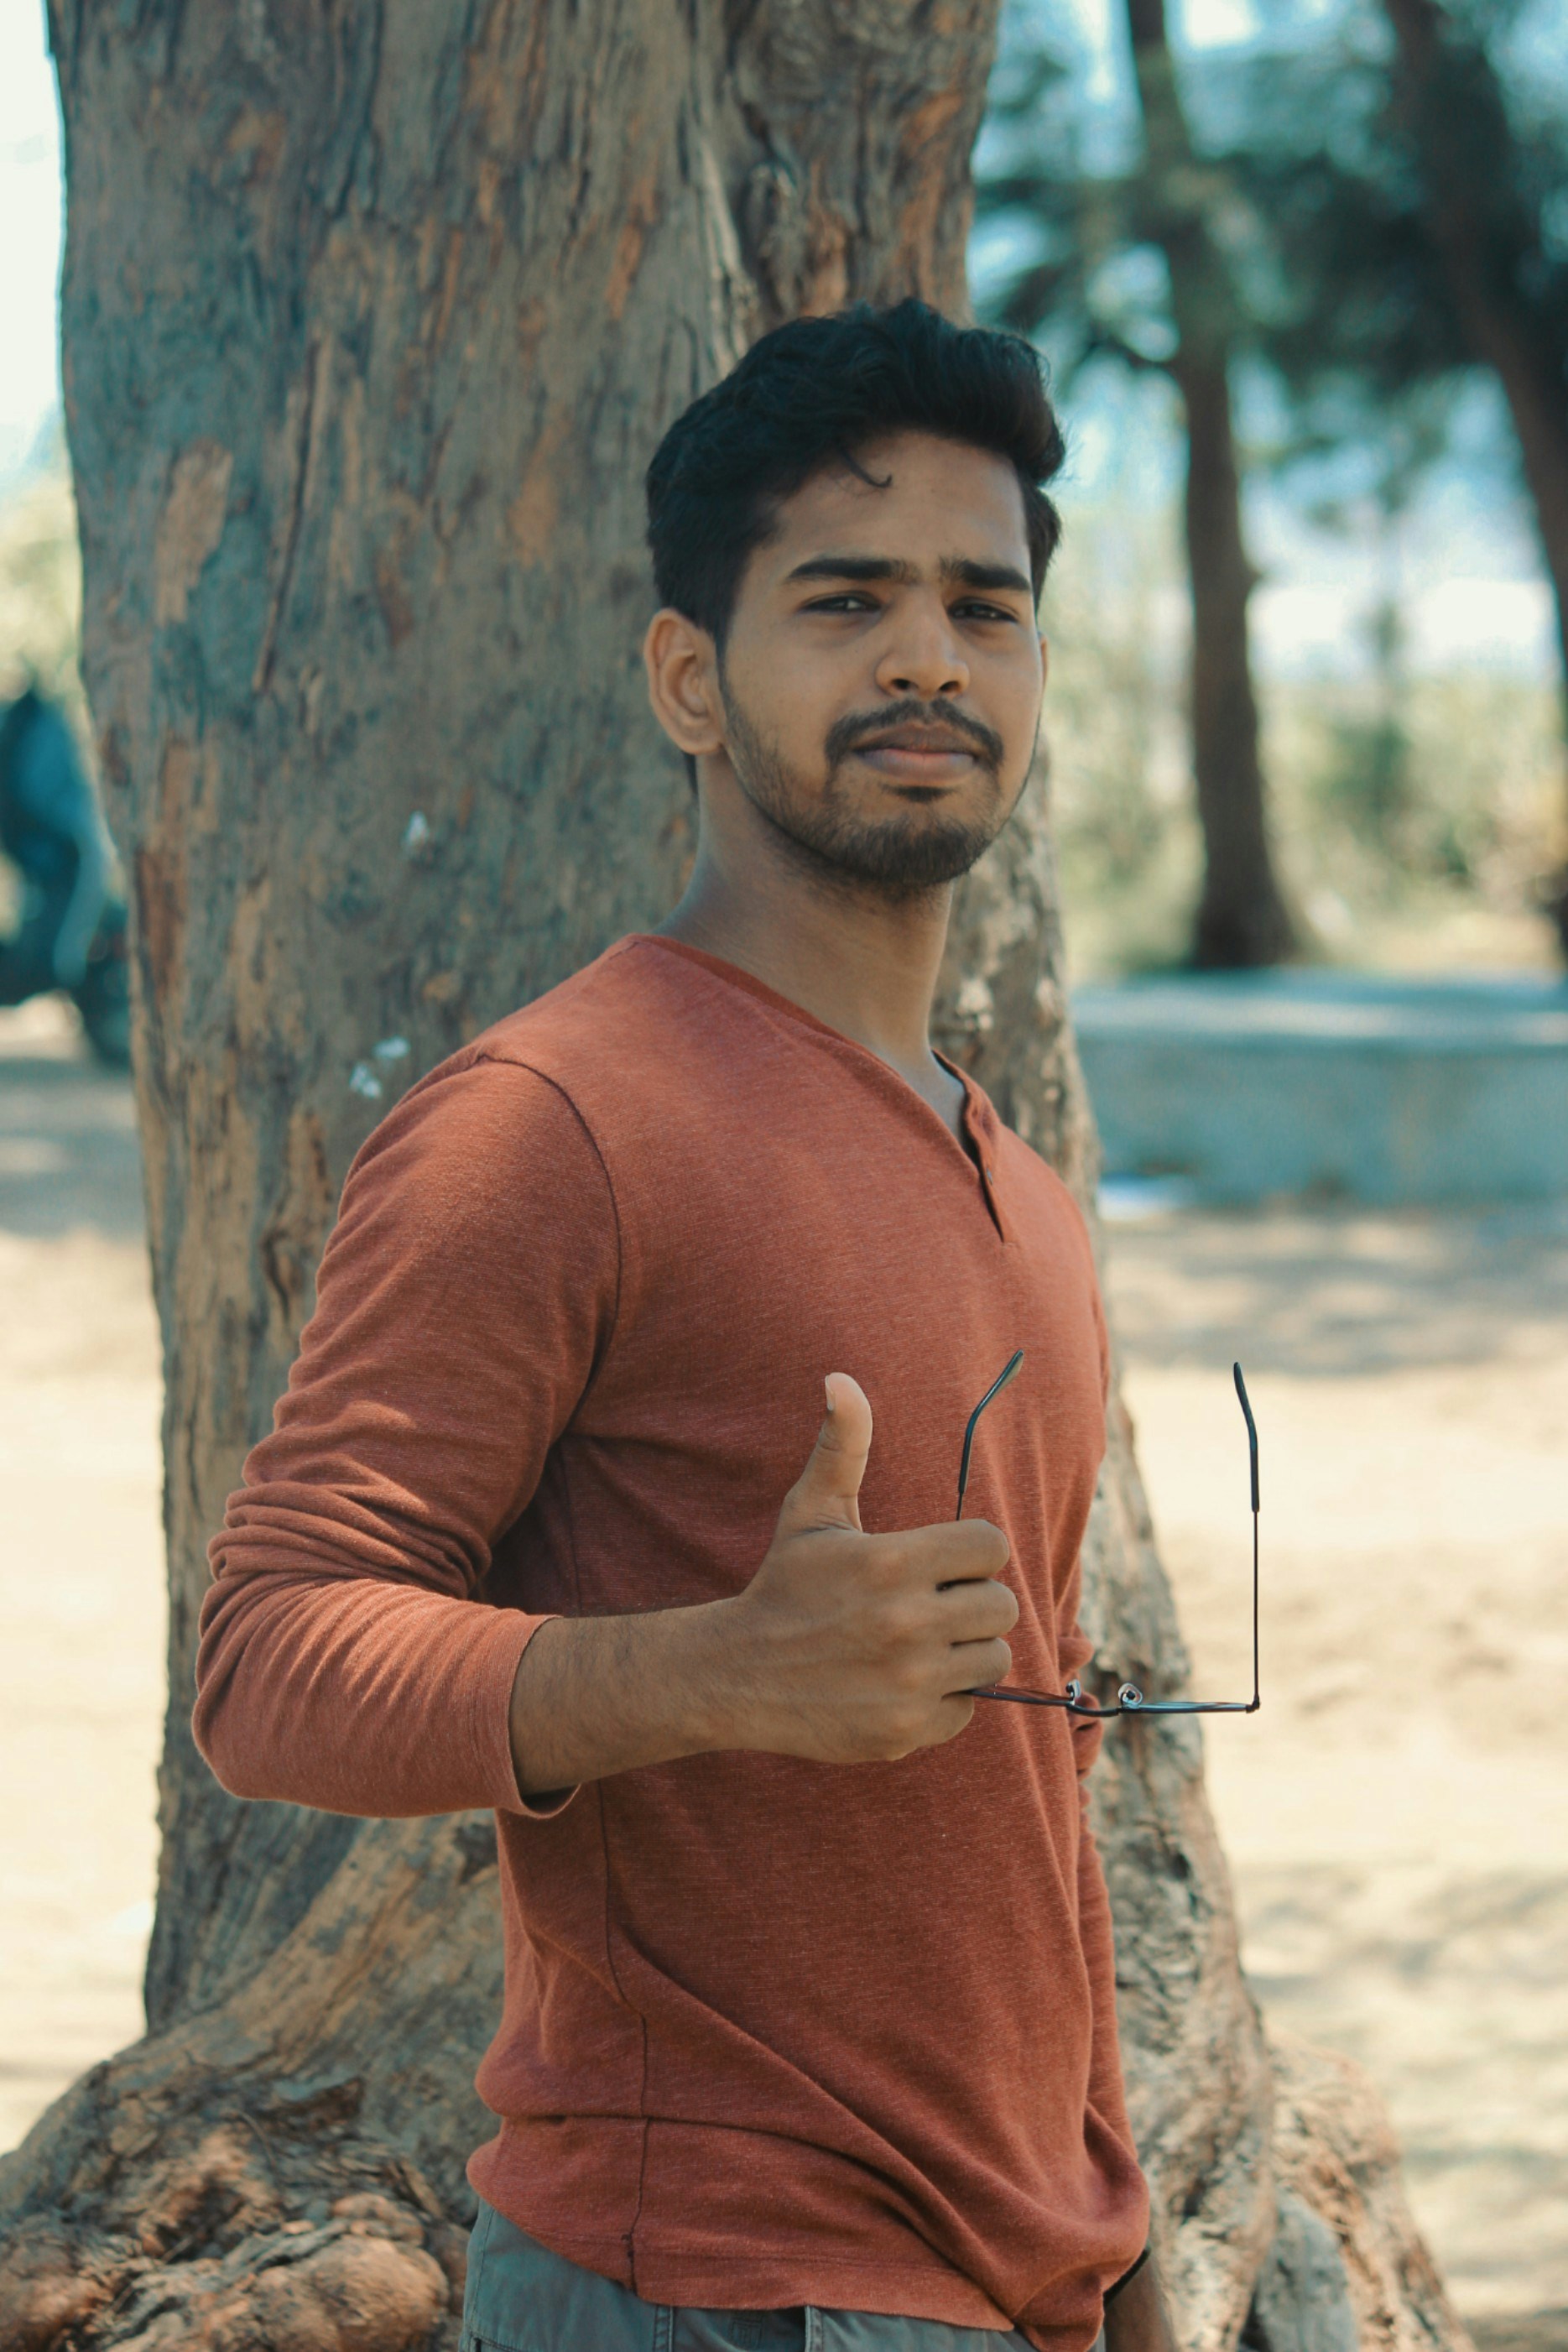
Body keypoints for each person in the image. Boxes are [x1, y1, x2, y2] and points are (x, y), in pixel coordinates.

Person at [195, 300, 1176, 2352]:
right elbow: (272, 1657)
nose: (927, 655)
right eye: (843, 598)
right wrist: (704, 1672)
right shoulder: (551, 1123)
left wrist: (1120, 2251)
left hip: (1015, 2285)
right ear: (687, 679)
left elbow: (1031, 1785)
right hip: (710, 2283)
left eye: (981, 609)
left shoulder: (1017, 1185)